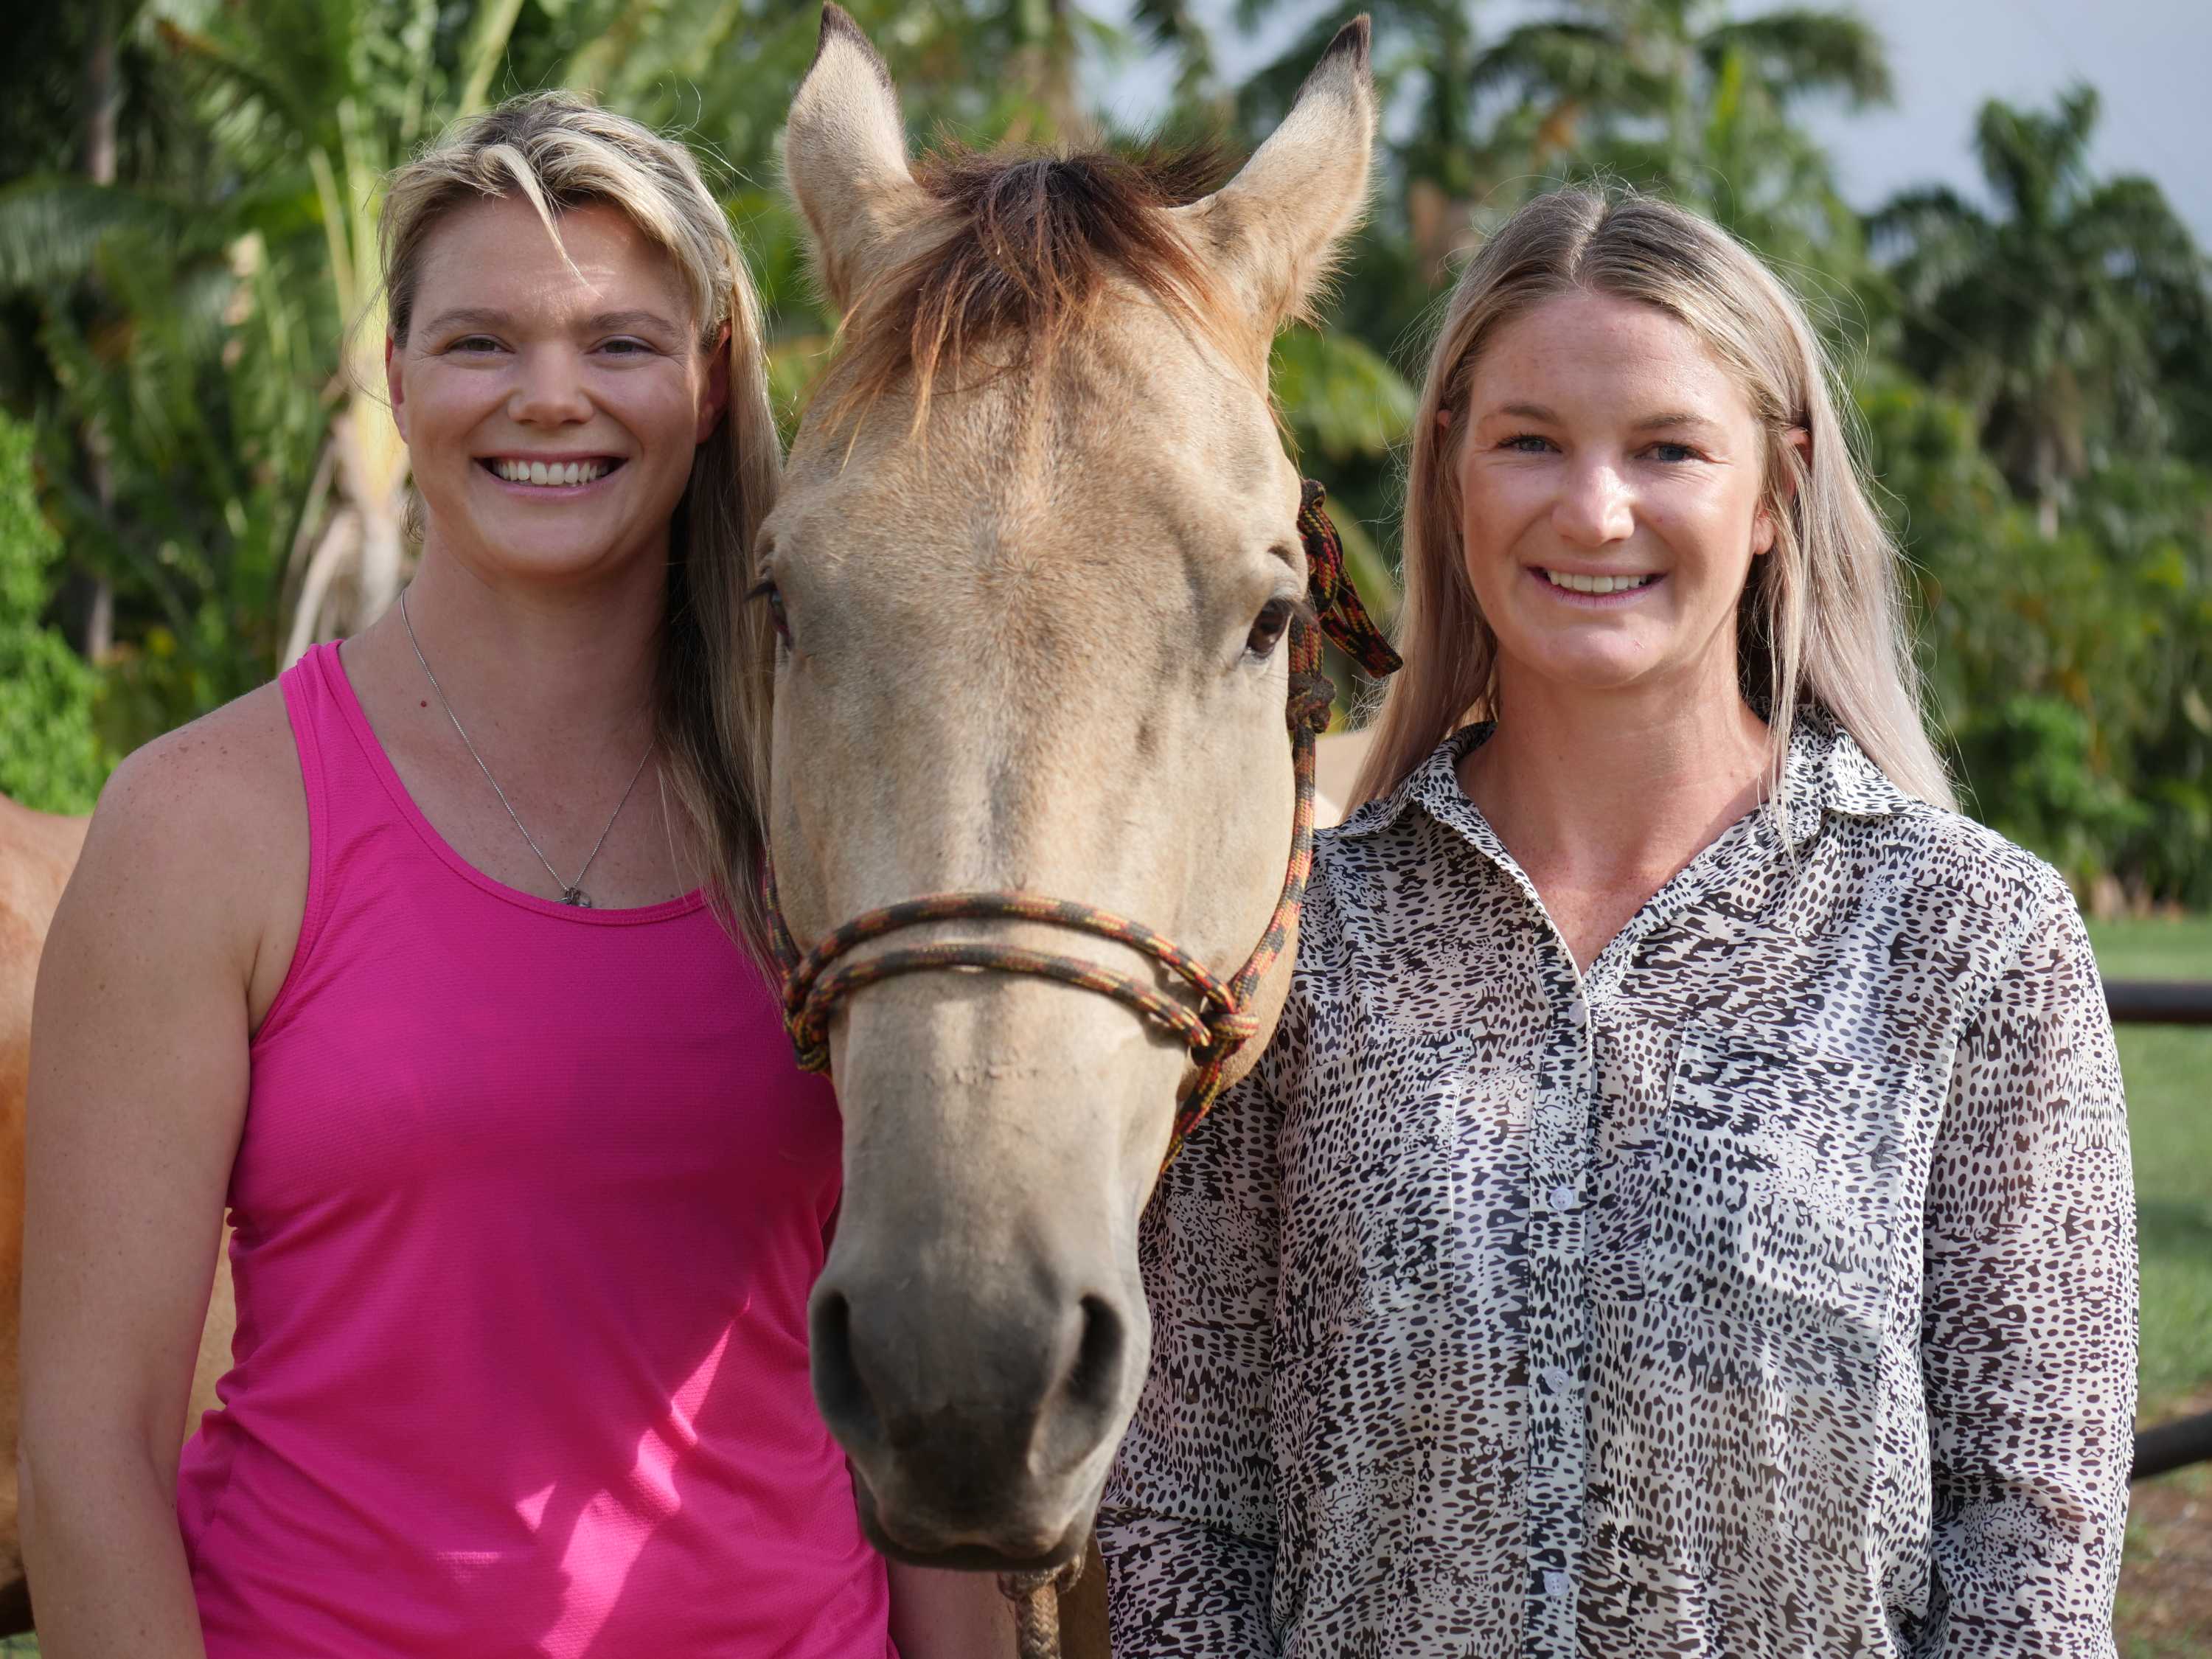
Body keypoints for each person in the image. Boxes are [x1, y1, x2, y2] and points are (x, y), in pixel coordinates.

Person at [21, 91, 1006, 1658]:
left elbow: (921, 1401)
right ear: (392, 381)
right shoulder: (205, 823)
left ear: (709, 385)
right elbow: (89, 1454)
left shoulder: (835, 816)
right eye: (483, 342)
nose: (551, 398)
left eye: (620, 344)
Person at [1099, 186, 2137, 1657]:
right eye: (1530, 441)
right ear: (1453, 469)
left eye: (1667, 449)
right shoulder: (1296, 944)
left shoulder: (1973, 942)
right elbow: (1184, 1511)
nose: (1594, 510)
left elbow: (2032, 1543)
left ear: (1775, 493)